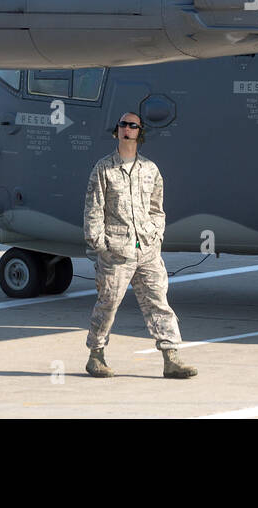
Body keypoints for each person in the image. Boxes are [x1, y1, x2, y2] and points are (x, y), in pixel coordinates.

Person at [82, 112, 196, 379]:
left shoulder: (150, 170)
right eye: (122, 124)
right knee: (108, 303)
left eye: (132, 126)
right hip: (116, 251)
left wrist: (156, 234)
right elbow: (93, 208)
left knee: (158, 302)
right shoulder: (104, 169)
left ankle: (171, 358)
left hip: (146, 249)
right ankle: (95, 356)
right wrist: (99, 244)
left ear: (139, 133)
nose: (127, 129)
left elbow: (157, 208)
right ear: (117, 131)